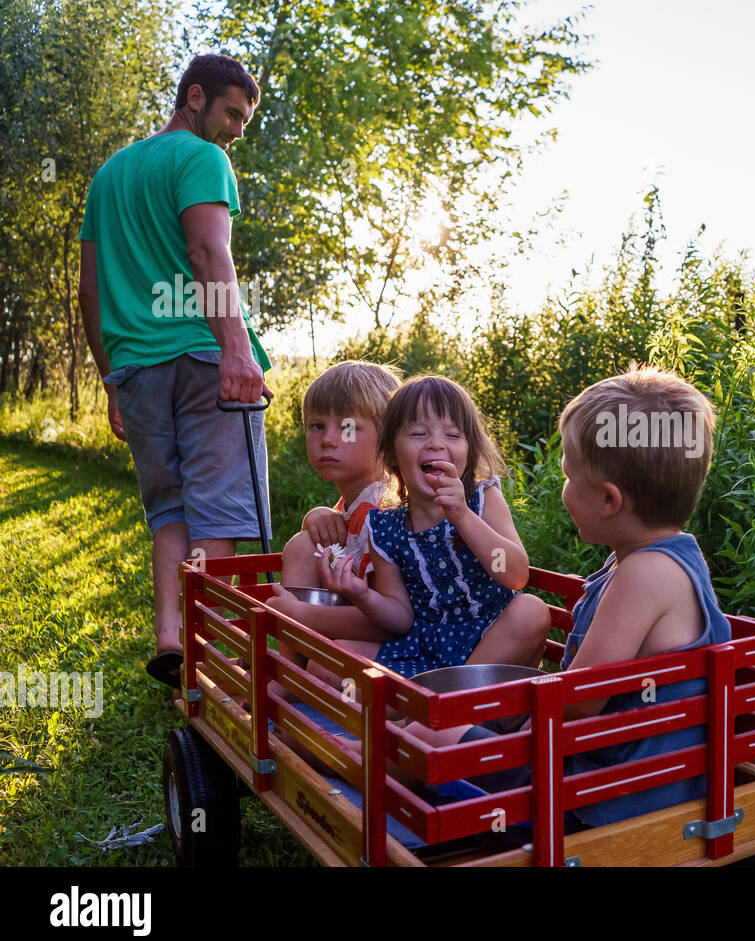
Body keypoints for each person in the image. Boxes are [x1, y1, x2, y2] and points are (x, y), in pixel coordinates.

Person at [406, 365, 731, 829]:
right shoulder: (652, 559)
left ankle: (365, 775)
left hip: (603, 794)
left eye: (567, 475)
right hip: (615, 770)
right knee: (452, 726)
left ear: (608, 501)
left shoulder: (645, 574)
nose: (563, 488)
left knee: (429, 736)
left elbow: (579, 700)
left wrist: (519, 723)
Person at [78, 54, 271, 688]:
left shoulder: (108, 176)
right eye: (233, 114)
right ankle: (213, 662)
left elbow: (89, 291)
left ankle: (171, 638)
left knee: (170, 512)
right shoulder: (201, 159)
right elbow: (207, 249)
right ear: (195, 97)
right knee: (220, 514)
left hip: (135, 367)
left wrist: (111, 377)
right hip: (200, 356)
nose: (238, 132)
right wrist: (238, 351)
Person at [313, 374, 551, 677]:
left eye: (453, 435)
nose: (436, 444)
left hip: (491, 646)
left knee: (531, 610)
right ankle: (433, 712)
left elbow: (516, 575)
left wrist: (463, 516)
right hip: (424, 650)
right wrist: (361, 593)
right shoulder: (385, 527)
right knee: (325, 663)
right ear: (391, 454)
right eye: (418, 433)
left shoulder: (482, 498)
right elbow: (400, 617)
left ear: (470, 451)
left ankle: (444, 705)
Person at [265, 361, 403, 661]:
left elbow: (391, 623)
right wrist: (315, 515)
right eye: (317, 426)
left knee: (326, 668)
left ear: (388, 437)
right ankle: (290, 668)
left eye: (348, 427)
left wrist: (302, 614)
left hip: (401, 637)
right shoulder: (357, 501)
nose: (328, 439)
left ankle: (291, 669)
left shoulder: (385, 512)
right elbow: (342, 533)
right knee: (304, 544)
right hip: (359, 623)